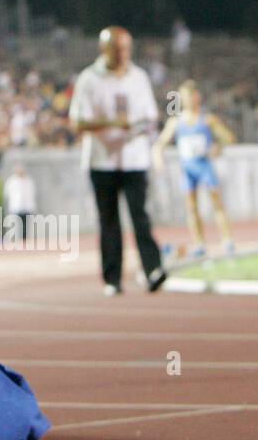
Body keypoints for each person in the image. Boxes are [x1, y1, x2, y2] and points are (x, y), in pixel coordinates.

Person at [68, 26, 167, 295]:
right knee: (109, 221)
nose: (123, 54)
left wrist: (139, 129)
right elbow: (77, 121)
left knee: (141, 215)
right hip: (102, 161)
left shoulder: (139, 77)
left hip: (135, 158)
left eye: (126, 48)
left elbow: (150, 115)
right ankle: (113, 278)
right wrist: (111, 124)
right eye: (117, 49)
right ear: (105, 49)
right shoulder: (89, 79)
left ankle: (153, 270)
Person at [153, 79, 237, 257]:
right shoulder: (176, 122)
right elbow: (159, 144)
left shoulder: (207, 119)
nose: (187, 100)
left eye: (190, 96)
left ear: (197, 96)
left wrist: (218, 148)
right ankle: (199, 244)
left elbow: (228, 137)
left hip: (204, 165)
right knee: (191, 207)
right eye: (183, 97)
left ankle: (227, 240)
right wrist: (159, 161)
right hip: (188, 168)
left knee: (217, 203)